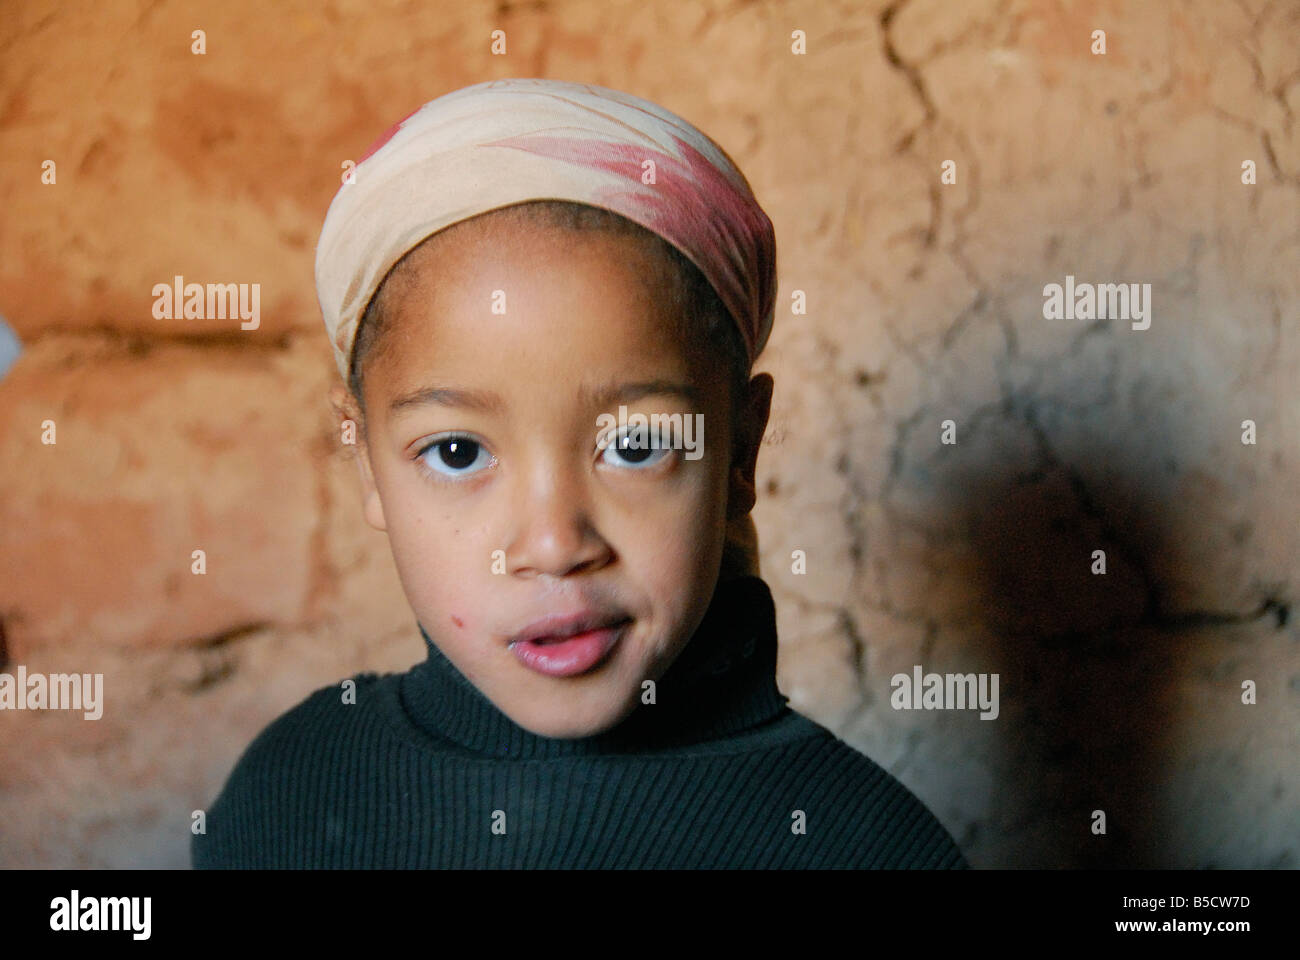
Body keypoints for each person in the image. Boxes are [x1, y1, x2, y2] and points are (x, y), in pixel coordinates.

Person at [192, 77, 968, 868]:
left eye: (635, 447)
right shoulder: (293, 792)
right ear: (365, 464)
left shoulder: (862, 847)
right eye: (458, 452)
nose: (555, 544)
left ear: (740, 449)